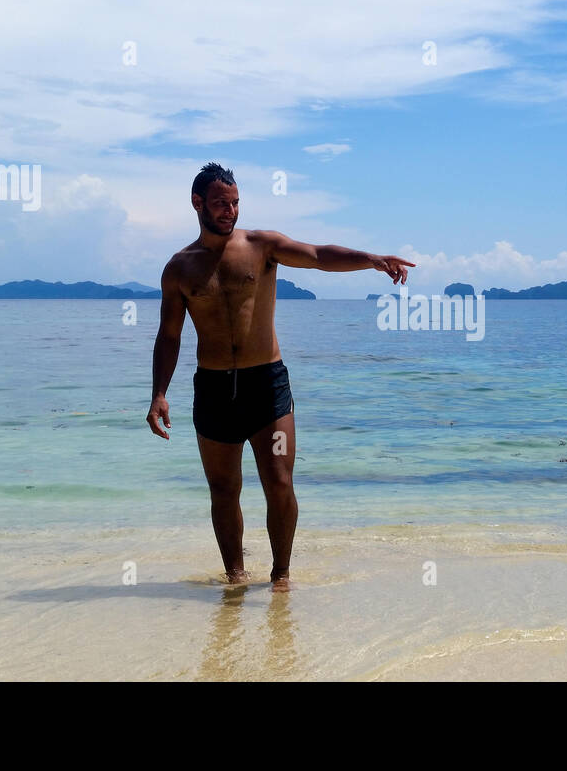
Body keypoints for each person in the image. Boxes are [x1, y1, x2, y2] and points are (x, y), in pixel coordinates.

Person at [147, 162, 415, 591]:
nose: (229, 211)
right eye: (220, 203)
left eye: (235, 203)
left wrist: (372, 260)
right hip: (214, 390)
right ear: (197, 203)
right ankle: (235, 576)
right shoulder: (179, 268)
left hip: (266, 385)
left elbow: (318, 256)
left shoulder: (261, 246)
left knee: (279, 481)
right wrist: (159, 393)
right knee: (223, 489)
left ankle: (281, 576)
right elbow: (170, 334)